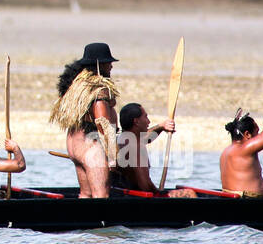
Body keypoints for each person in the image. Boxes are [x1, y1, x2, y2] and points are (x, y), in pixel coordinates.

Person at [50, 43, 120, 198]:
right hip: (92, 149)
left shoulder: (76, 85)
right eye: (108, 62)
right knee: (101, 195)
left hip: (75, 146)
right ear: (99, 64)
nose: (111, 66)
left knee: (85, 194)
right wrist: (112, 158)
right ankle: (104, 223)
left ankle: (85, 222)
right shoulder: (98, 89)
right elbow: (103, 123)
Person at [113, 102, 175, 193]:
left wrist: (161, 127)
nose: (149, 121)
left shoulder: (123, 139)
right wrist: (159, 193)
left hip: (124, 191)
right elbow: (144, 185)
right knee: (190, 194)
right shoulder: (134, 145)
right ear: (136, 121)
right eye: (145, 117)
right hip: (137, 195)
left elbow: (145, 137)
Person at [218, 108, 263, 196]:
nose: (259, 136)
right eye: (257, 132)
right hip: (247, 200)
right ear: (247, 134)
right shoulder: (244, 149)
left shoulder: (225, 152)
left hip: (230, 198)